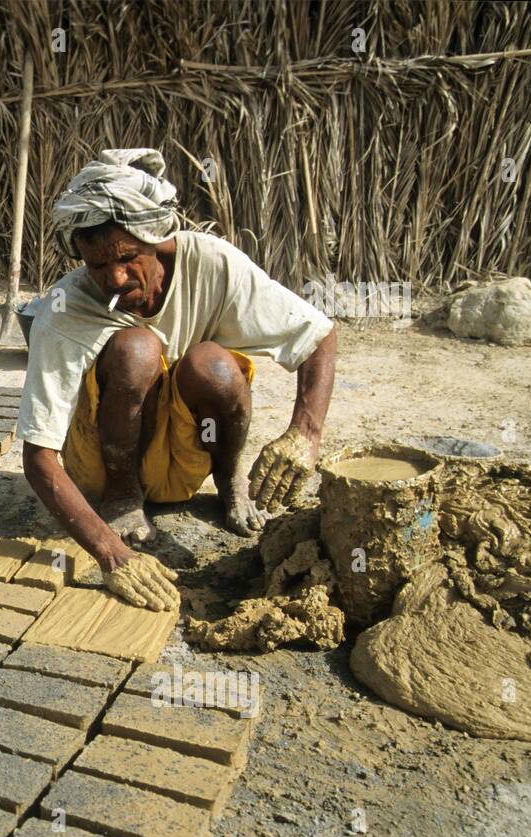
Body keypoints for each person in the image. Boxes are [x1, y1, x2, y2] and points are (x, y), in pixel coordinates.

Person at [17, 148, 337, 611]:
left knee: (213, 364)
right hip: (102, 463)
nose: (115, 279)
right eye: (97, 266)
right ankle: (125, 496)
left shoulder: (212, 265)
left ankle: (228, 478)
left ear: (157, 238)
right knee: (136, 349)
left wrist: (305, 434)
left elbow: (317, 335)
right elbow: (37, 456)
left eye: (128, 257)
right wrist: (111, 554)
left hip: (190, 451)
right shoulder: (66, 307)